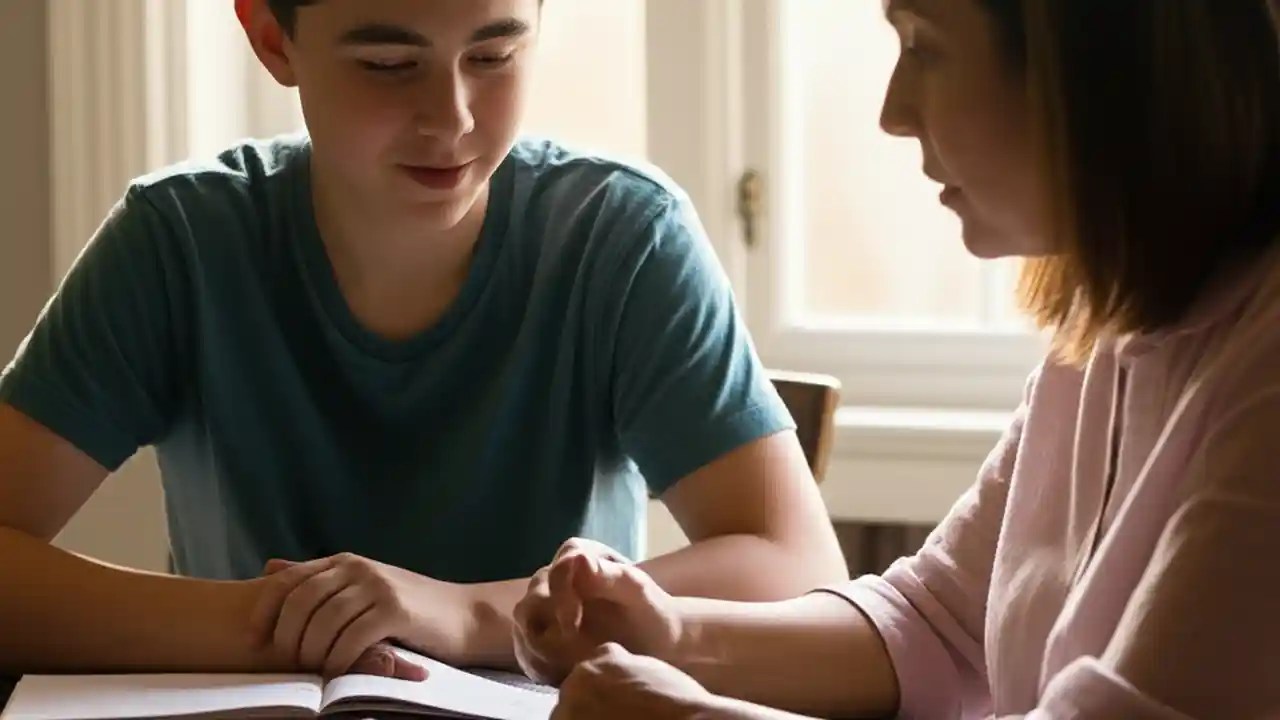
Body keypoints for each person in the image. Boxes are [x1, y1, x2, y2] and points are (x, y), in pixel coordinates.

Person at [0, 0, 848, 680]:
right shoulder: (177, 242)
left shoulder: (621, 236)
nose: (451, 118)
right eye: (388, 64)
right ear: (271, 38)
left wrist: (467, 613)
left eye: (494, 55)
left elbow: (800, 572)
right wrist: (293, 626)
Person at [515, 0, 1280, 717]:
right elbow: (939, 623)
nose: (893, 111)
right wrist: (672, 636)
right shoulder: (1106, 326)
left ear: (1087, 65)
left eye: (924, 45)